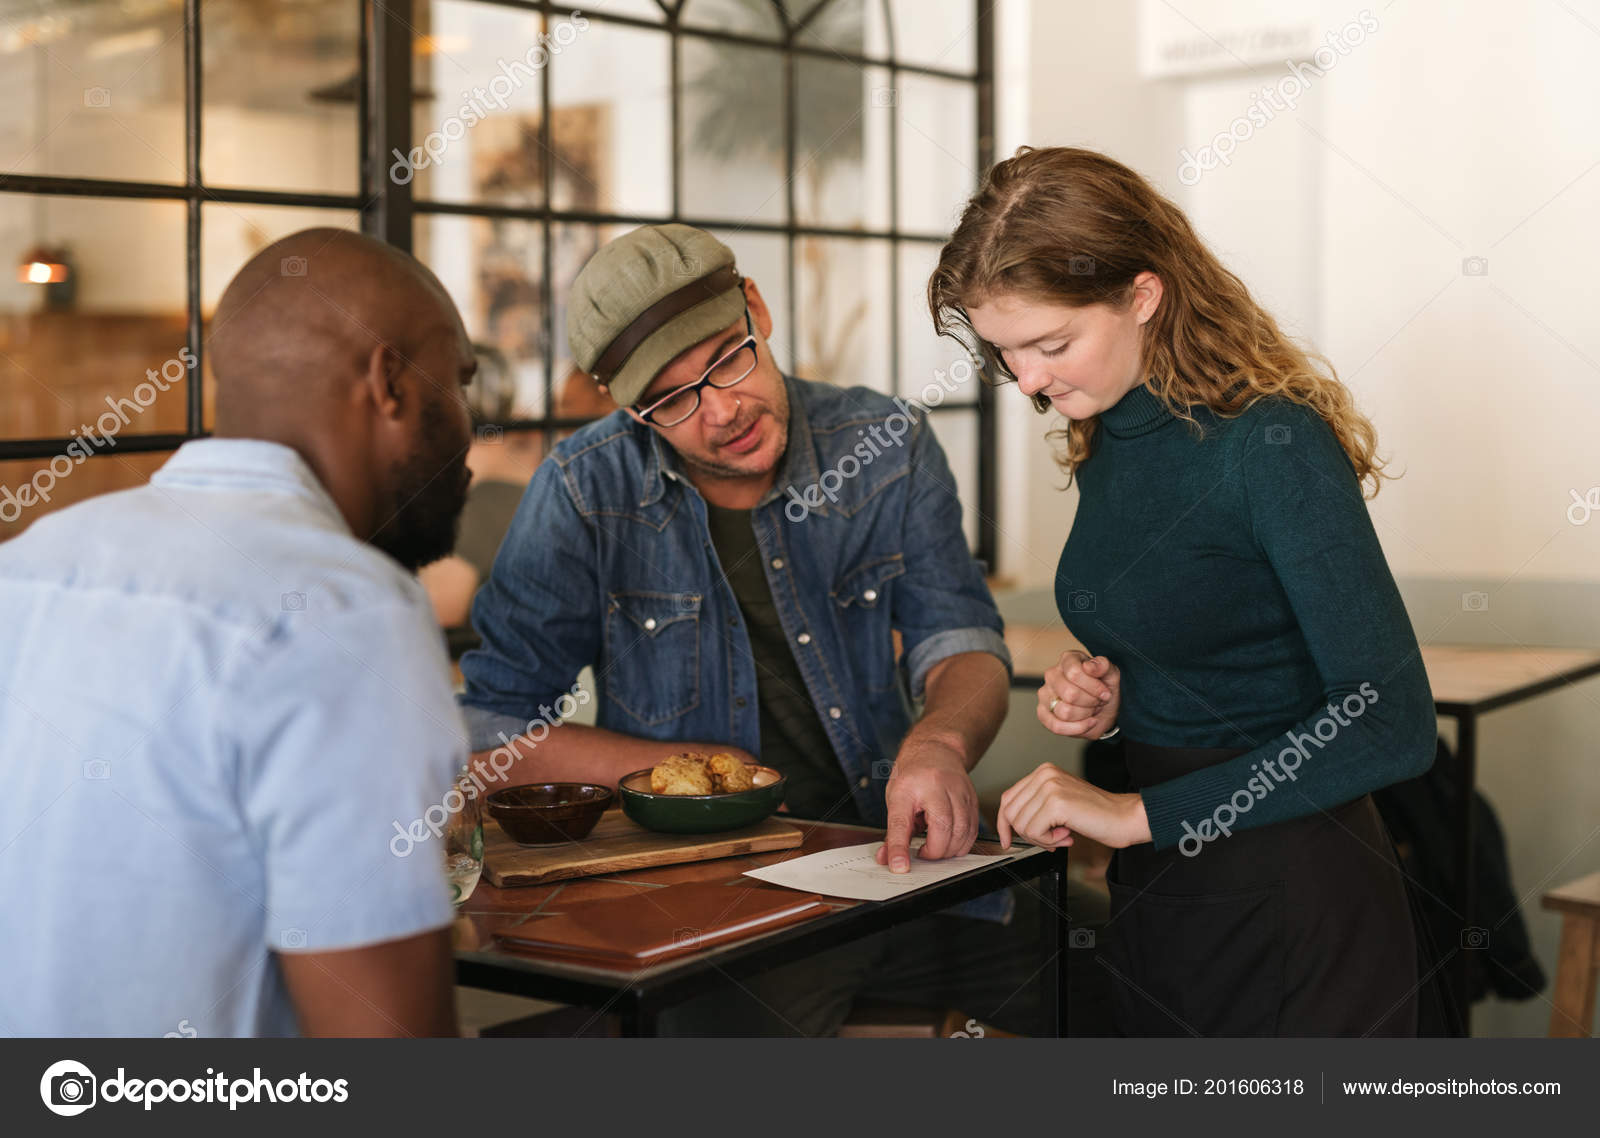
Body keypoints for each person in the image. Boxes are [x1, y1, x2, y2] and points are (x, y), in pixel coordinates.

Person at [458, 223, 1087, 1035]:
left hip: (899, 856)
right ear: (627, 407)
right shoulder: (583, 493)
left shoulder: (885, 446)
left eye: (728, 358)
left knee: (1114, 953)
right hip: (708, 896)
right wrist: (701, 772)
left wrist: (938, 745)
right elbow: (491, 728)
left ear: (756, 308)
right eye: (673, 399)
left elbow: (961, 638)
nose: (722, 411)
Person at [931, 147, 1437, 1036]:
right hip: (1170, 885)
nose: (1031, 382)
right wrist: (1115, 698)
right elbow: (1221, 644)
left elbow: (1389, 723)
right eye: (1008, 353)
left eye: (1051, 344)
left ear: (1143, 294)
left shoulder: (1270, 445)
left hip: (1297, 897)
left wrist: (1134, 811)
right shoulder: (1108, 432)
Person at [0, 228, 477, 1037]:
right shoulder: (345, 611)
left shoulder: (31, 565)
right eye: (462, 381)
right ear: (389, 383)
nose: (475, 427)